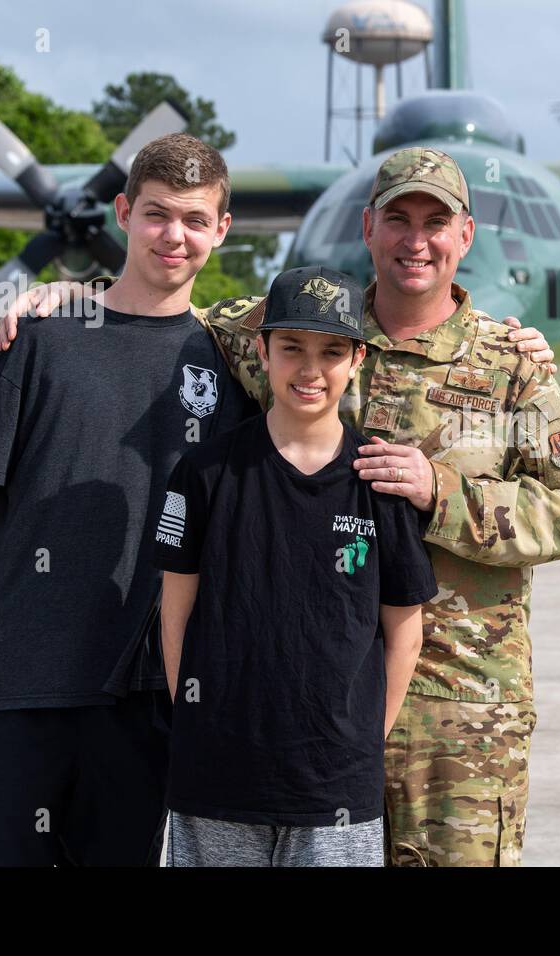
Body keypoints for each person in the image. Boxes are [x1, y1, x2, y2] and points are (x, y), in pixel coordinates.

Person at [0, 147, 560, 866]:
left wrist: (443, 493)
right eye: (397, 219)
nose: (416, 240)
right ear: (367, 228)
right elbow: (164, 296)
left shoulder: (512, 365)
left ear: (465, 235)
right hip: (299, 712)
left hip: (457, 710)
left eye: (436, 223)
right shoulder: (295, 325)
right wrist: (74, 294)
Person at [0, 133, 260, 865]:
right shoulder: (41, 338)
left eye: (195, 220)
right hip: (15, 683)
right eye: (157, 214)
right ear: (123, 213)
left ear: (222, 230)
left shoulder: (230, 365)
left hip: (144, 698)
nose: (174, 236)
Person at [154, 266, 436, 867]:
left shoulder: (380, 482)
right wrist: (198, 724)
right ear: (262, 351)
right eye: (291, 348)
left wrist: (360, 746)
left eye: (331, 351)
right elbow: (175, 613)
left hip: (336, 790)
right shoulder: (205, 472)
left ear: (357, 359)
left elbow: (405, 633)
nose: (310, 370)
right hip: (217, 779)